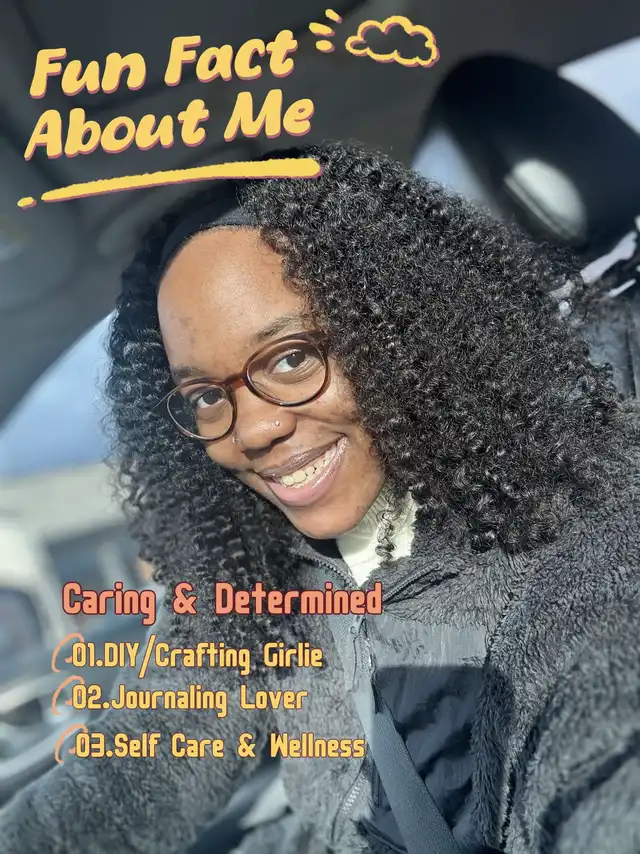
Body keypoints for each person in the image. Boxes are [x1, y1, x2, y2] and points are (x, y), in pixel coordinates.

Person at [1, 141, 639, 854]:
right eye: (206, 396)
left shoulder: (584, 531)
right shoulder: (248, 579)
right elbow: (126, 780)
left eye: (292, 358)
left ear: (400, 330)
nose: (254, 429)